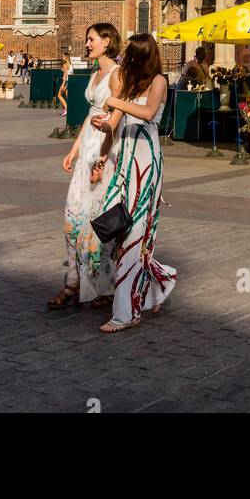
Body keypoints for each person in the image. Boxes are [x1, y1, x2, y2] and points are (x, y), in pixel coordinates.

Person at [95, 34, 176, 332]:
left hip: (146, 164)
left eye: (129, 53)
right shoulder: (129, 83)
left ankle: (125, 313)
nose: (124, 58)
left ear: (141, 56)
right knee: (117, 231)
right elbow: (115, 122)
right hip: (125, 162)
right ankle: (160, 278)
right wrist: (102, 129)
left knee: (135, 236)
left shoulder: (158, 82)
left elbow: (148, 113)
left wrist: (116, 101)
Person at [49, 23, 122, 309]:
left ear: (106, 41)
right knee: (72, 218)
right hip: (88, 150)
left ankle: (105, 286)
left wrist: (103, 158)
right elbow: (89, 116)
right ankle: (74, 281)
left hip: (104, 151)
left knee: (97, 220)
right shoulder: (94, 74)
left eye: (91, 40)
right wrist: (74, 150)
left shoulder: (117, 75)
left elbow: (117, 118)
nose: (87, 44)